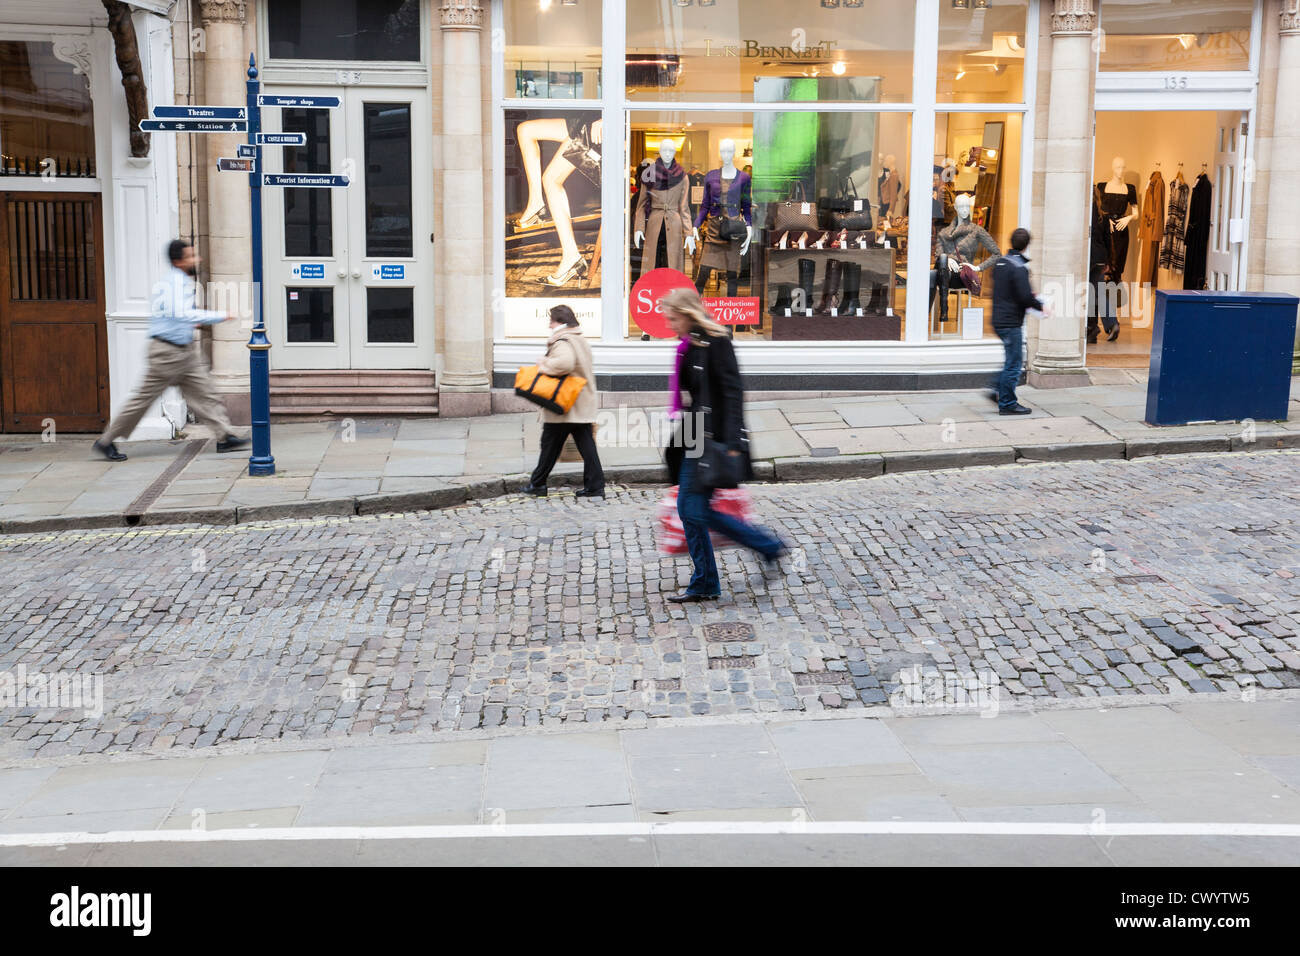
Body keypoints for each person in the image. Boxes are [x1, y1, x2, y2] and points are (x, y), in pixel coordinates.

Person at [661, 287, 786, 603]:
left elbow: (733, 392)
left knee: (692, 509)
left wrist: (732, 442)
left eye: (673, 319)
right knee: (692, 510)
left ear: (688, 315)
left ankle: (762, 548)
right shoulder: (690, 344)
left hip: (713, 438)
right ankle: (711, 578)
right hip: (695, 432)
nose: (670, 325)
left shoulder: (717, 341)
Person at [92, 240, 248, 461]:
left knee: (206, 394)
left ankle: (225, 437)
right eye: (192, 256)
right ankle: (105, 441)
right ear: (179, 261)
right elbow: (181, 313)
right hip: (167, 354)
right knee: (142, 400)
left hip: (184, 351)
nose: (198, 259)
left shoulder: (179, 281)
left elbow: (174, 314)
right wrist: (220, 315)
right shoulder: (175, 283)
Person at [522, 304, 605, 499]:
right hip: (577, 403)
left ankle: (538, 484)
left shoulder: (564, 341)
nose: (549, 325)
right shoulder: (578, 338)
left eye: (551, 321)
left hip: (565, 404)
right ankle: (594, 486)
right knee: (582, 445)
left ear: (560, 322)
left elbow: (564, 363)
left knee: (549, 444)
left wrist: (543, 364)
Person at [988, 227, 1048, 416]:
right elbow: (1024, 297)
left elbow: (1005, 289)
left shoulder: (1000, 263)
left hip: (998, 319)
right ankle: (1007, 403)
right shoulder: (1019, 267)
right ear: (1026, 245)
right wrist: (1041, 306)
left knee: (1010, 359)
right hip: (1011, 321)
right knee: (1014, 364)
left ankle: (997, 389)